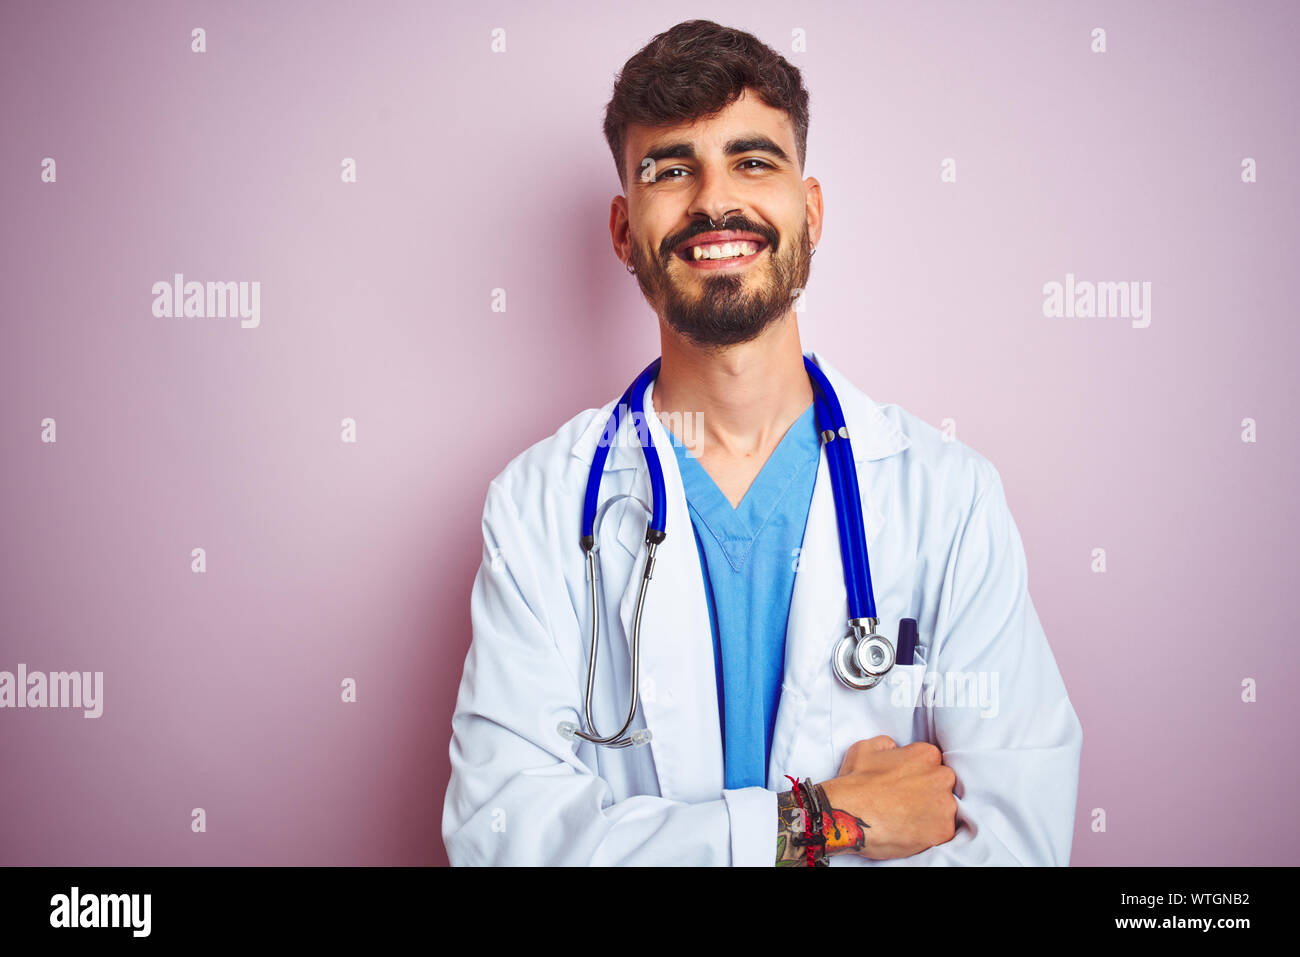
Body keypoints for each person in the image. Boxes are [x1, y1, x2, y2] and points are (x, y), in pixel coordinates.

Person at [442, 19, 1082, 866]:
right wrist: (816, 822)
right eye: (670, 168)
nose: (714, 199)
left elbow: (1017, 841)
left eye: (753, 161)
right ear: (624, 231)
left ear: (809, 213)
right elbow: (501, 840)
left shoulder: (947, 497)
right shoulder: (538, 506)